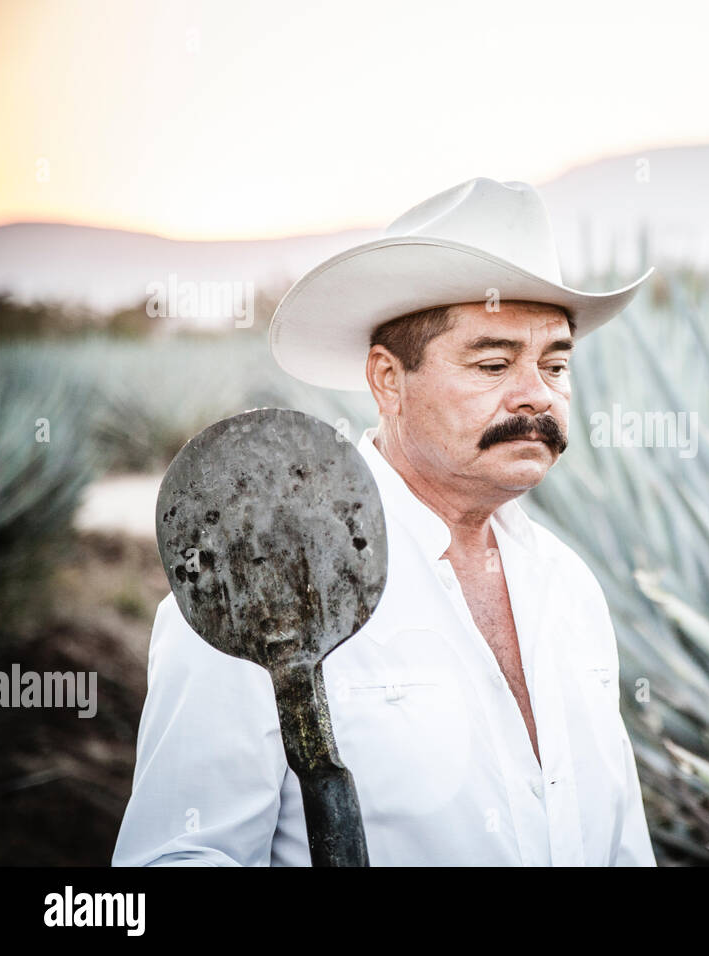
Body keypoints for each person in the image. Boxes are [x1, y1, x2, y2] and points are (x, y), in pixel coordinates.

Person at [113, 178, 657, 865]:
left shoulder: (570, 588)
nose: (536, 393)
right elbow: (176, 857)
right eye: (493, 363)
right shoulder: (262, 591)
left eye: (555, 362)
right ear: (387, 380)